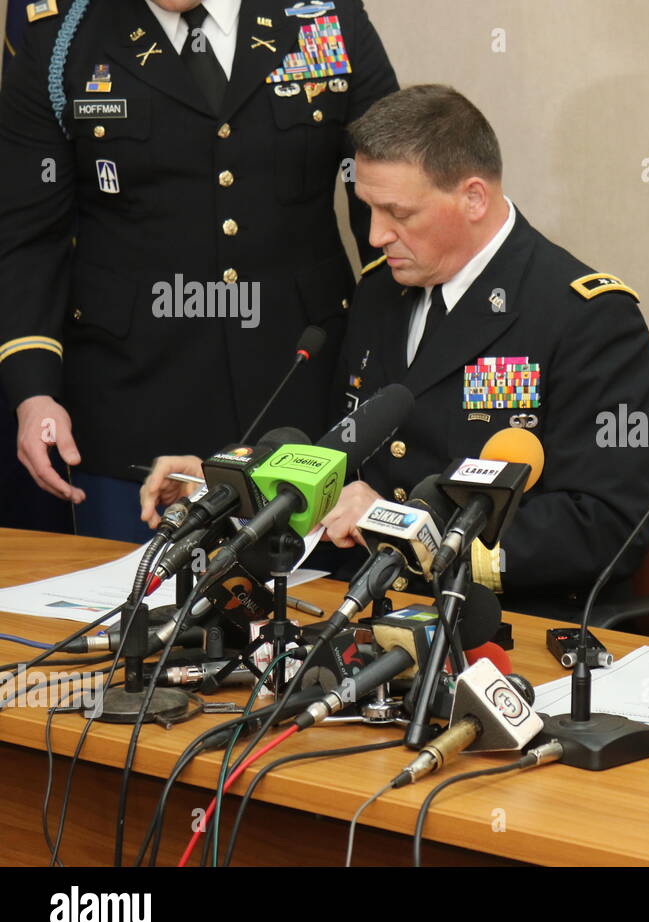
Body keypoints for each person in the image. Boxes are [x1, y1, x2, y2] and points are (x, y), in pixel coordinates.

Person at [142, 84, 649, 620]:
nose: (374, 235)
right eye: (368, 208)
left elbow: (605, 527)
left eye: (398, 212)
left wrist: (398, 526)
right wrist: (230, 487)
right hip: (362, 603)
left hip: (502, 620)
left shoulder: (586, 317)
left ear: (474, 198)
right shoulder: (380, 291)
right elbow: (337, 454)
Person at [0, 0, 397, 542]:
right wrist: (34, 392)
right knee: (134, 594)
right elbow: (28, 237)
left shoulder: (324, 18)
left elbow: (386, 208)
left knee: (310, 595)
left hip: (301, 397)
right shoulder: (63, 37)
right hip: (132, 407)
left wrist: (392, 372)